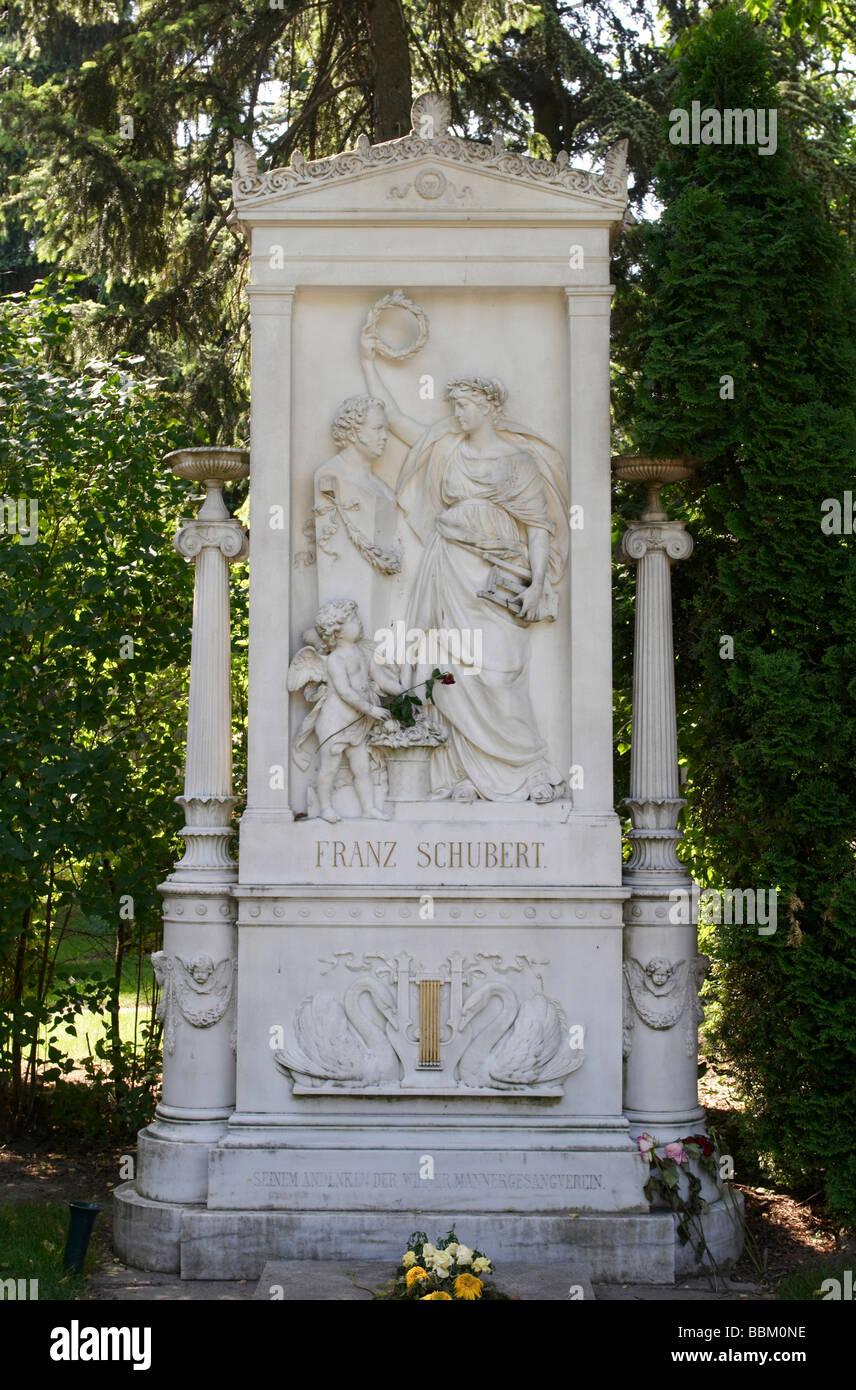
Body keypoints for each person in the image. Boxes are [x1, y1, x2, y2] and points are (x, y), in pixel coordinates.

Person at [360, 332, 568, 803]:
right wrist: (369, 361)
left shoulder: (518, 462)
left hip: (498, 577)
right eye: (454, 405)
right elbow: (396, 421)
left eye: (465, 405)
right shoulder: (446, 448)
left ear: (490, 407)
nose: (457, 413)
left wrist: (537, 584)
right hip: (448, 570)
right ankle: (465, 775)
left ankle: (530, 768)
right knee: (449, 672)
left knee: (498, 671)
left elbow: (538, 526)